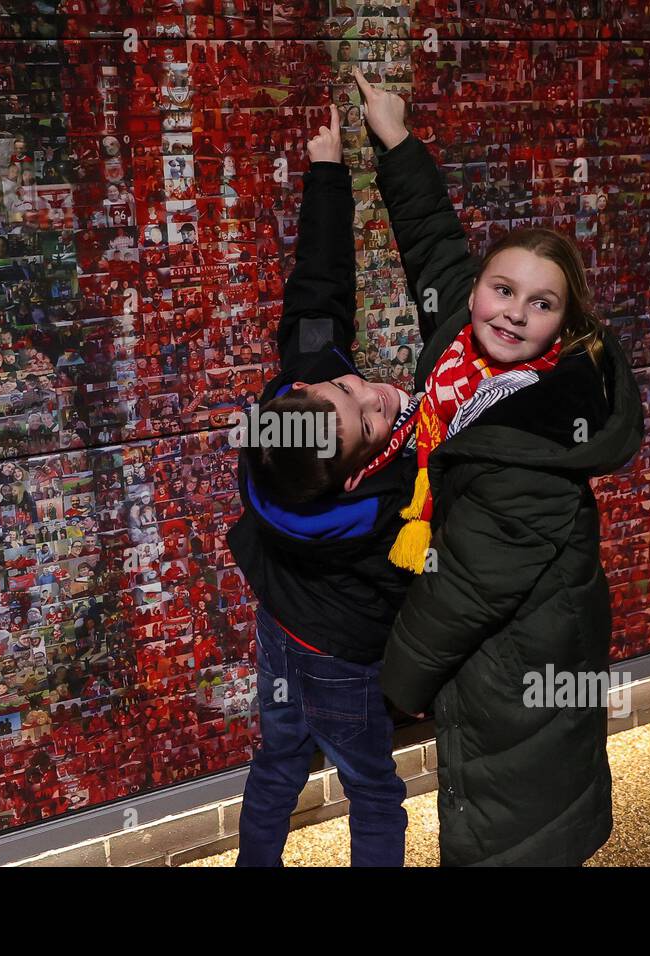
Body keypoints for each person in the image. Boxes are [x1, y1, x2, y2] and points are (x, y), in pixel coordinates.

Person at [354, 70, 645, 866]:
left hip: (524, 658)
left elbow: (465, 589)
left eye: (541, 303)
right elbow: (434, 247)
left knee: (509, 824)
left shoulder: (537, 427)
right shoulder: (464, 346)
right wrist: (395, 138)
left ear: (565, 324)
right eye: (502, 289)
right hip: (522, 644)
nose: (513, 311)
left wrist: (396, 689)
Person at [228, 104, 421, 868]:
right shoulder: (392, 507)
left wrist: (328, 170)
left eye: (346, 388)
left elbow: (319, 283)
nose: (372, 394)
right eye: (368, 424)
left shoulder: (285, 443)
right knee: (372, 791)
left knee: (277, 764)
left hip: (281, 631)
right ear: (351, 473)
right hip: (341, 658)